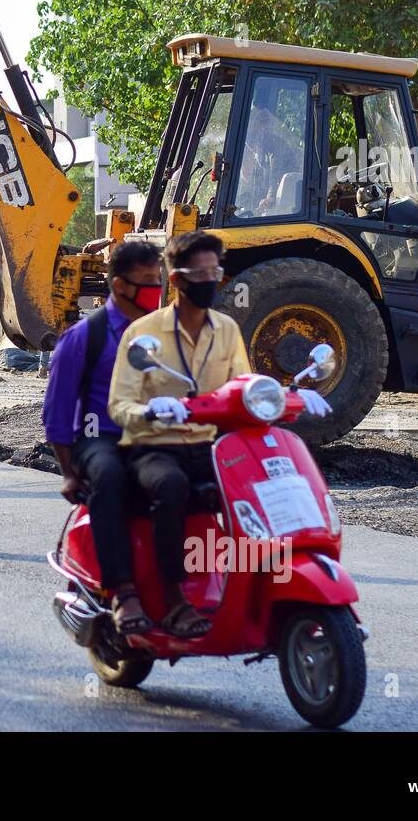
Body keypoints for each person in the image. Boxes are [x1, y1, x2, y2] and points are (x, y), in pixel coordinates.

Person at [108, 229, 331, 638]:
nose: (212, 280)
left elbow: (242, 388)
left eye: (216, 272)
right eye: (202, 273)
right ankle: (174, 600)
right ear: (176, 280)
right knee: (172, 485)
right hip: (153, 448)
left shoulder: (226, 329)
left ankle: (256, 586)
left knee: (261, 486)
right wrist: (152, 409)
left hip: (210, 445)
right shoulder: (143, 336)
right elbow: (119, 406)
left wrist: (288, 394)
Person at [42, 239, 164, 634]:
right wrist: (69, 471)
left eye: (158, 279)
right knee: (111, 477)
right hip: (99, 440)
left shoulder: (164, 334)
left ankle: (178, 586)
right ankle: (124, 591)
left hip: (151, 437)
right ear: (118, 286)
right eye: (147, 281)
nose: (156, 288)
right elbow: (57, 412)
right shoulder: (84, 337)